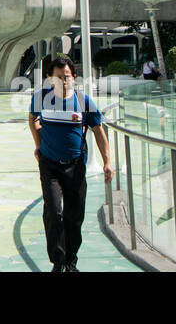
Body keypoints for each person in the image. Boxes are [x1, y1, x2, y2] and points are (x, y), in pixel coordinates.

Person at [28, 53, 113, 272]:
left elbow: (98, 131)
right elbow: (32, 118)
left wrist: (107, 162)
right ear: (50, 79)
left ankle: (70, 261)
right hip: (50, 165)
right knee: (53, 210)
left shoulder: (83, 101)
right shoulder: (41, 98)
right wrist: (38, 144)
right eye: (58, 77)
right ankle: (58, 261)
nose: (63, 81)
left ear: (74, 77)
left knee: (74, 216)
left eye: (66, 76)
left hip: (75, 166)